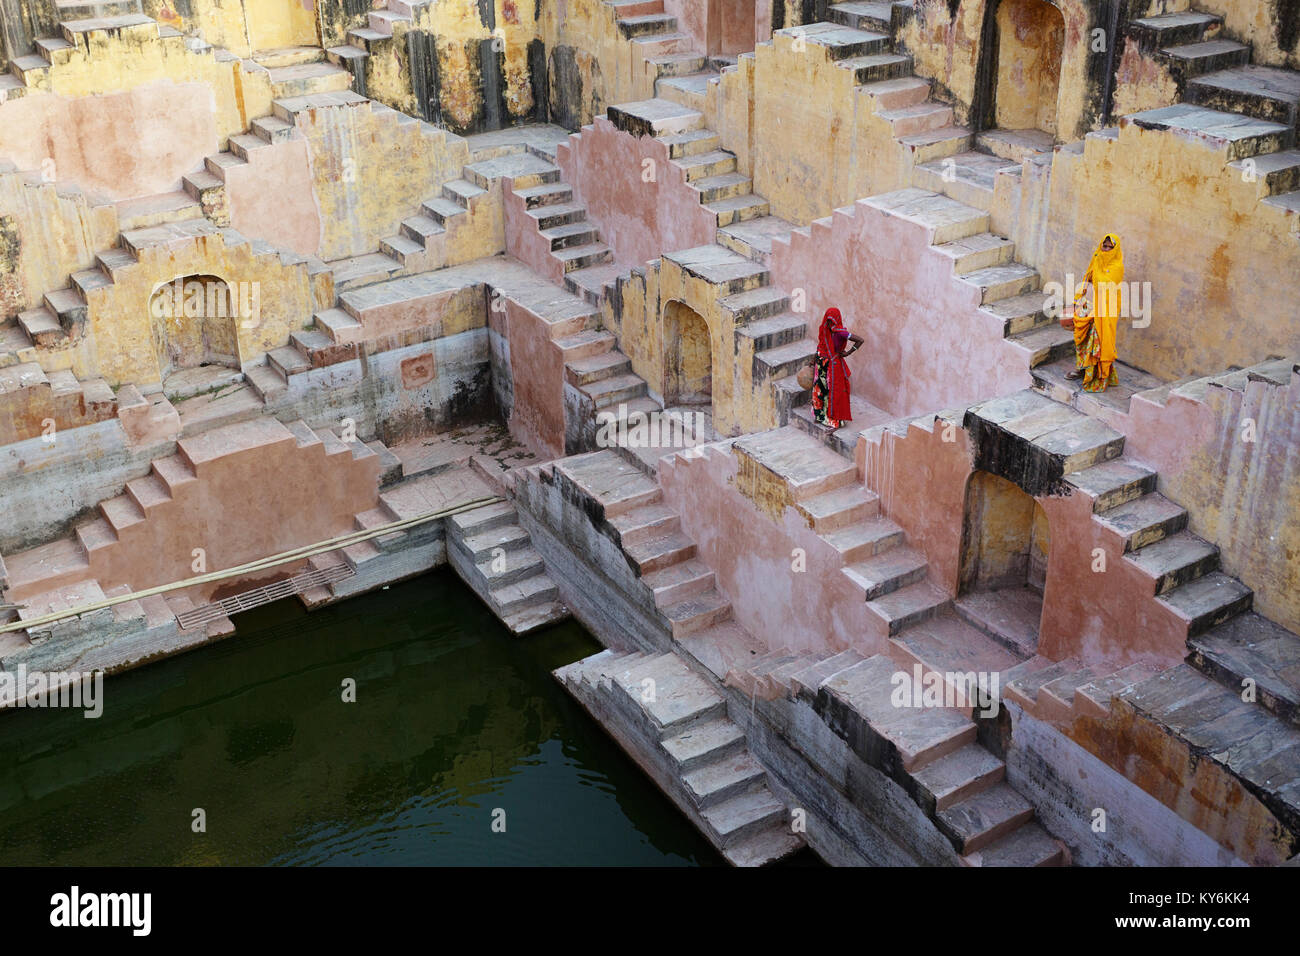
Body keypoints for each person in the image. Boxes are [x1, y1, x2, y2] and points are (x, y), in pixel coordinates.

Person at [1065, 233, 1123, 391]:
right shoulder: (1096, 259)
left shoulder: (1117, 267)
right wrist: (1077, 300)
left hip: (1102, 313)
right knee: (1082, 341)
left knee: (1096, 344)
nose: (1105, 249)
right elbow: (1087, 278)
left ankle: (1094, 376)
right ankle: (1080, 369)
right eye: (1103, 246)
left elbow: (1103, 284)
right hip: (1087, 307)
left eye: (1109, 247)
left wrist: (1098, 267)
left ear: (1115, 250)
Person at [811, 307, 863, 429]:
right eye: (828, 321)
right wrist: (813, 360)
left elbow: (860, 340)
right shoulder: (824, 330)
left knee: (833, 393)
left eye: (832, 321)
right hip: (821, 365)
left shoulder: (841, 333)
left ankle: (834, 422)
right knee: (820, 391)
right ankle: (821, 417)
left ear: (837, 321)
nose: (830, 324)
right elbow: (820, 345)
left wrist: (848, 352)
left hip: (832, 368)